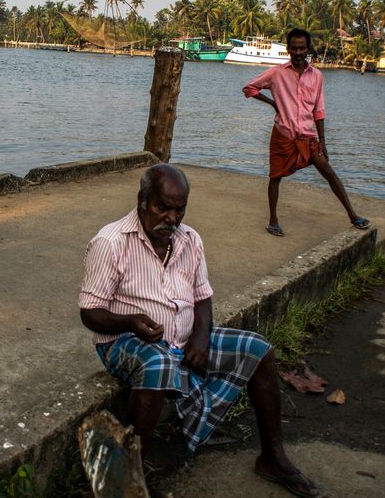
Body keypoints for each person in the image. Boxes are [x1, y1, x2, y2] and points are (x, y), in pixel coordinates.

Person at [78, 164, 326, 497]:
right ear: (142, 200)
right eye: (161, 207)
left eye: (179, 210)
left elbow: (203, 298)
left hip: (181, 340)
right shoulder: (110, 243)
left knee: (259, 350)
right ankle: (131, 479)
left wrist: (201, 335)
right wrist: (130, 321)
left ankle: (273, 458)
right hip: (124, 340)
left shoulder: (189, 240)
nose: (171, 218)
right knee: (159, 364)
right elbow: (90, 313)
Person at [242, 28, 370, 237]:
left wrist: (323, 140)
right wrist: (274, 103)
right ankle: (273, 220)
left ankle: (353, 215)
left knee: (328, 171)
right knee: (275, 177)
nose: (299, 52)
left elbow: (318, 110)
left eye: (302, 48)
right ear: (288, 49)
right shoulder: (277, 73)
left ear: (308, 49)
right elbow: (249, 88)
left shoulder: (317, 76)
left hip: (308, 137)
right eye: (294, 48)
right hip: (283, 135)